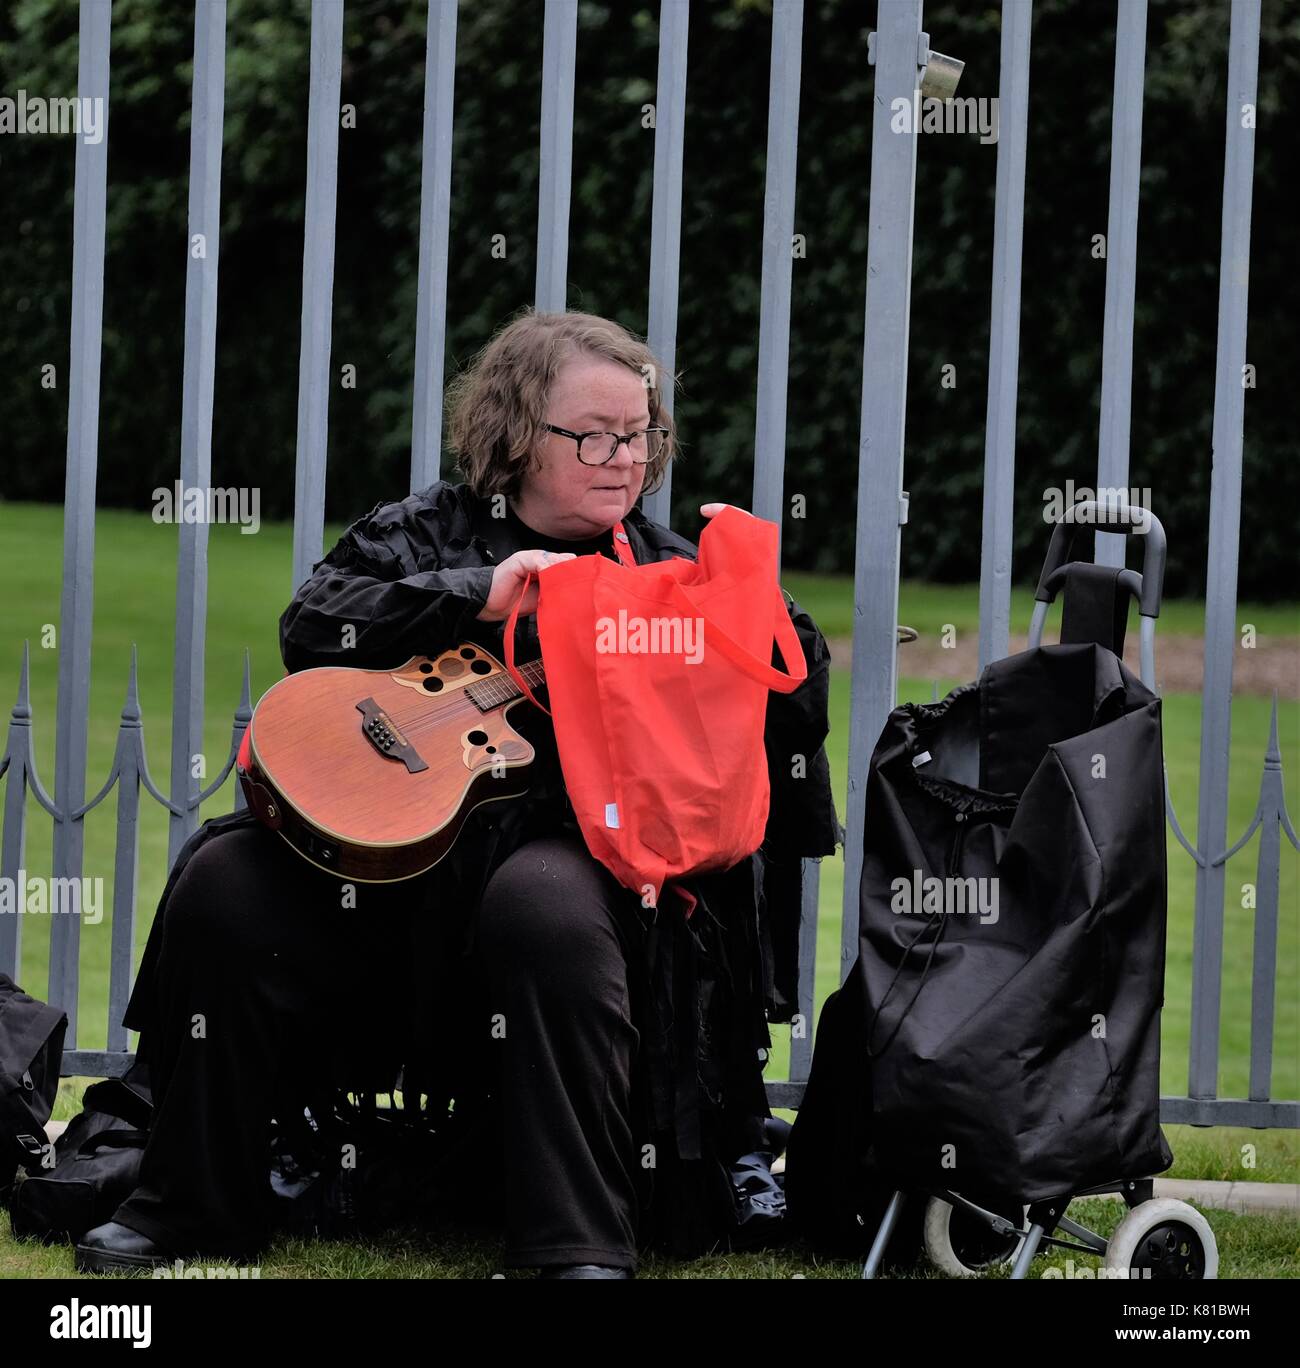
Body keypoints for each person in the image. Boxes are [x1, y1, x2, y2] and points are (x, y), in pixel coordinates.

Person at [75, 308, 841, 1278]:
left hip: (567, 866)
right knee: (226, 880)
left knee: (546, 902)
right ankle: (187, 1208)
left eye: (639, 435)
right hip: (392, 887)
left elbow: (778, 724)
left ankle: (572, 1247)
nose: (624, 459)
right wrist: (477, 590)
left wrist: (767, 634)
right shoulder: (423, 532)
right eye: (592, 435)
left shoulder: (668, 574)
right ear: (517, 434)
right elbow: (313, 628)